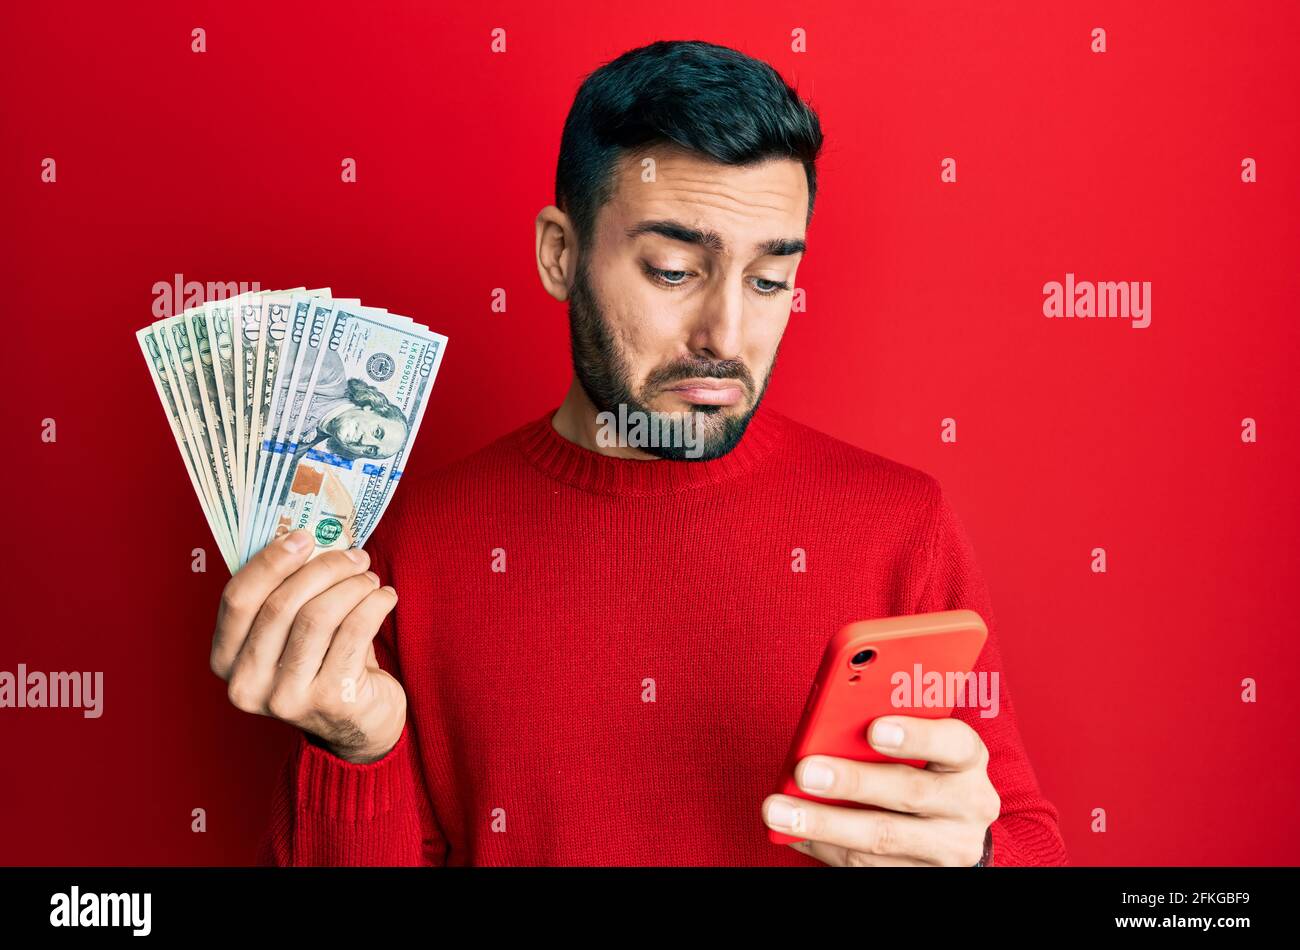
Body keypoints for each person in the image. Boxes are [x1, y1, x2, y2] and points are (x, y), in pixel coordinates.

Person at [210, 39, 1068, 866]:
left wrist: (977, 856)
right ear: (560, 254)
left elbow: (1025, 838)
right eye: (671, 270)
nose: (725, 335)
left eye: (770, 281)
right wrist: (354, 752)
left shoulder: (897, 522)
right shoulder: (413, 549)